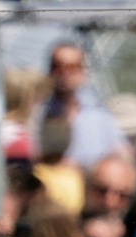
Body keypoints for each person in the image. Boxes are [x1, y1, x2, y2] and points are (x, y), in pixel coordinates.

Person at [44, 40, 127, 169]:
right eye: (58, 66)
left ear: (83, 71)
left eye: (73, 67)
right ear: (50, 70)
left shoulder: (100, 114)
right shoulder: (38, 114)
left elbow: (121, 150)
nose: (65, 73)